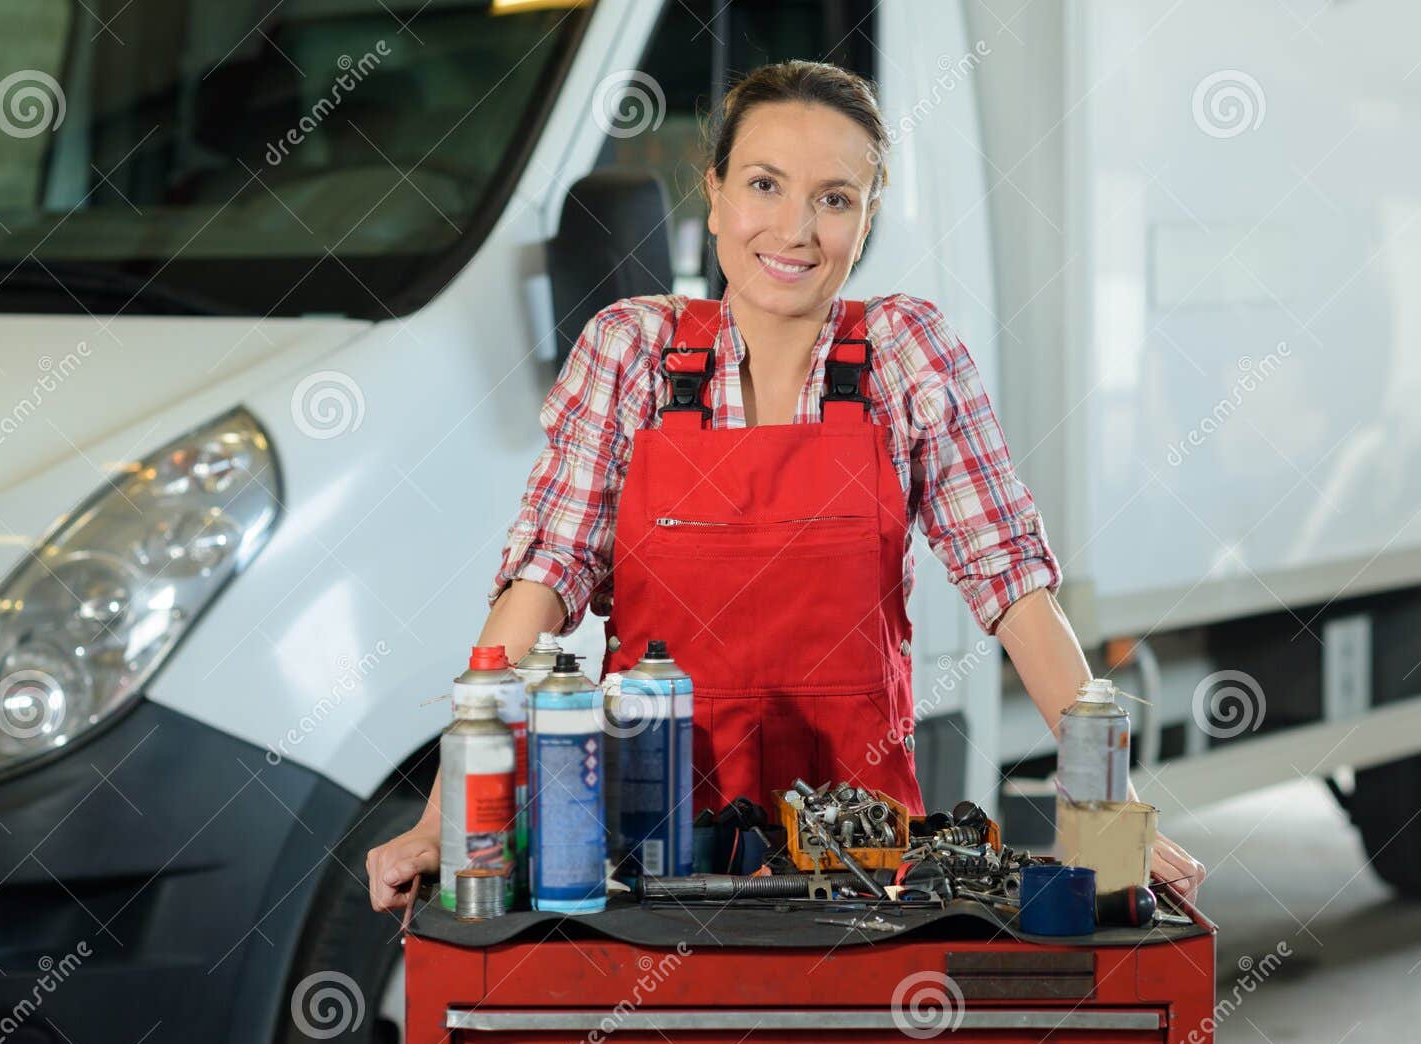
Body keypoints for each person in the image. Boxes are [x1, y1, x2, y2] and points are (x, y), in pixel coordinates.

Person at [367, 60, 1205, 913]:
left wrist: (1112, 810)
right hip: (656, 851)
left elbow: (1013, 586)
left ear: (869, 216)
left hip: (864, 863)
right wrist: (446, 822)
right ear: (717, 191)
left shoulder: (905, 353)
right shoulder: (632, 353)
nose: (796, 230)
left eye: (835, 199)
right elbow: (542, 583)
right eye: (765, 185)